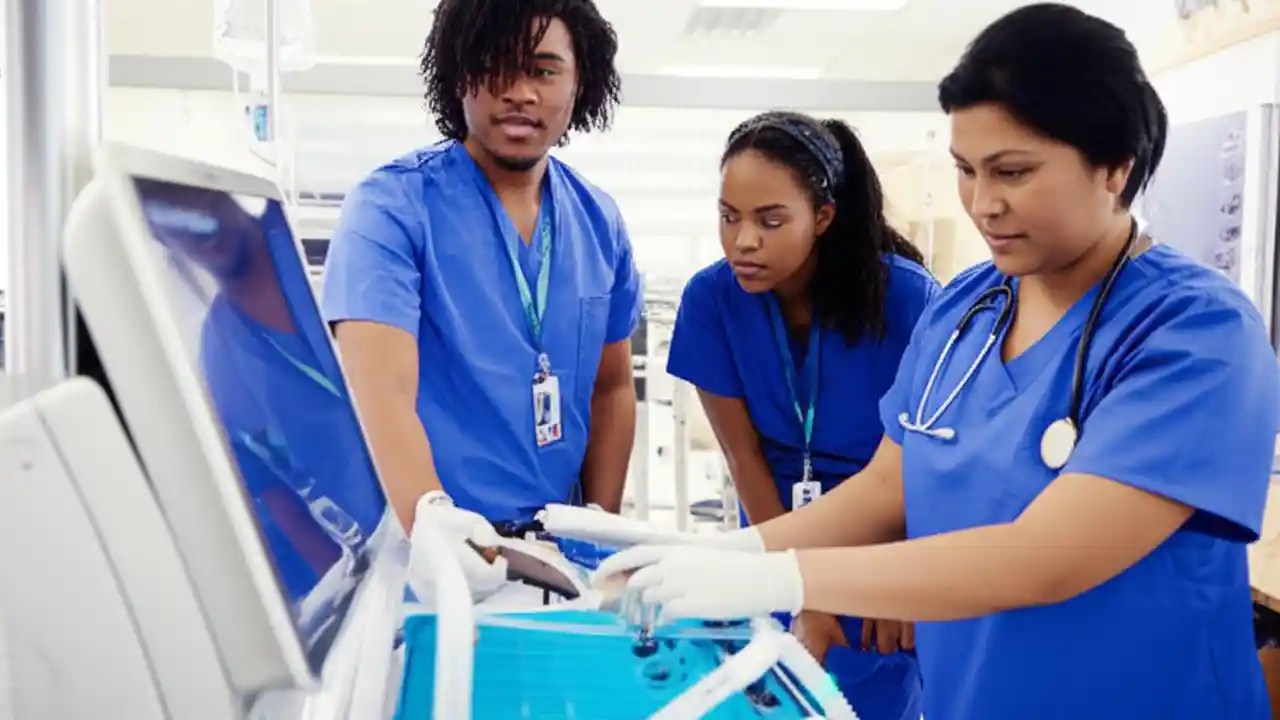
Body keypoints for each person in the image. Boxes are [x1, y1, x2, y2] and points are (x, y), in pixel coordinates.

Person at [594, 5, 1280, 718]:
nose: (984, 204)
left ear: (1115, 166)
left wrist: (783, 580)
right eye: (966, 170)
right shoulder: (966, 312)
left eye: (1013, 171)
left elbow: (1048, 559)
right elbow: (886, 485)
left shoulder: (1196, 334)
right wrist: (731, 553)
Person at [320, 0, 641, 596]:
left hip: (558, 560)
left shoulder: (600, 221)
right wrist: (434, 524)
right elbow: (381, 391)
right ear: (457, 73)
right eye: (496, 66)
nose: (520, 91)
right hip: (430, 557)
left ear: (580, 82)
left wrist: (597, 525)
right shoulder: (392, 209)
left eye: (544, 70)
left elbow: (612, 387)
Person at [665, 110, 935, 719]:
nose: (743, 241)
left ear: (823, 217)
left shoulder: (909, 299)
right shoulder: (712, 300)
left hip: (888, 543)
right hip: (775, 538)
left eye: (770, 220)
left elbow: (925, 465)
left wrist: (892, 578)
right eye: (729, 216)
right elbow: (744, 456)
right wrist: (800, 592)